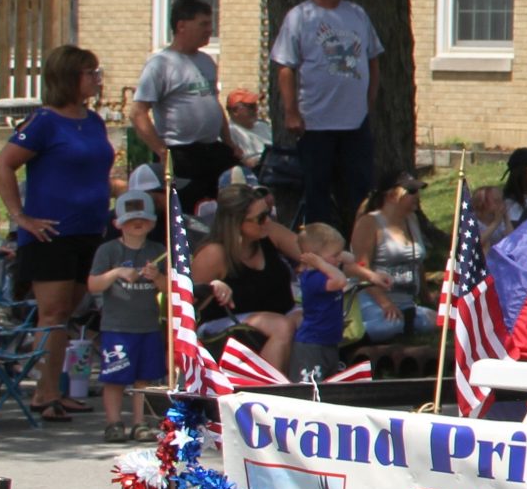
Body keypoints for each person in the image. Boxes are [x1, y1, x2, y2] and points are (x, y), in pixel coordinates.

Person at [0, 45, 114, 421]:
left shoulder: (93, 120)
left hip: (89, 229)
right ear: (68, 77)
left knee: (72, 313)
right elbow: (3, 165)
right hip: (51, 233)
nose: (96, 78)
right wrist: (20, 216)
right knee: (54, 313)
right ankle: (45, 395)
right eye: (89, 72)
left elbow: (96, 173)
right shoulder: (44, 122)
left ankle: (58, 389)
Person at [272, 0, 383, 226]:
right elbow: (285, 67)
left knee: (361, 188)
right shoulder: (299, 17)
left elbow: (373, 58)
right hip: (316, 122)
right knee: (317, 189)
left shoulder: (357, 14)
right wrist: (291, 112)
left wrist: (370, 99)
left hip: (355, 121)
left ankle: (359, 245)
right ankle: (320, 249)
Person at [130, 0, 235, 213]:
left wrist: (229, 142)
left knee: (223, 207)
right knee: (189, 211)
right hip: (181, 151)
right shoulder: (160, 65)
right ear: (181, 26)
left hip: (212, 149)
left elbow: (214, 105)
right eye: (203, 24)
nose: (209, 29)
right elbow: (138, 113)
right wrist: (161, 150)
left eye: (210, 23)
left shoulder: (206, 61)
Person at [193, 183, 302, 370]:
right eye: (260, 217)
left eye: (268, 212)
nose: (267, 221)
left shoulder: (270, 231)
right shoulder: (214, 254)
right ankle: (266, 392)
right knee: (281, 326)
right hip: (223, 323)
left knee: (317, 316)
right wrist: (215, 288)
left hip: (281, 313)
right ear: (237, 222)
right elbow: (191, 301)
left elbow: (312, 253)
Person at [87, 191, 168, 441]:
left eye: (142, 219)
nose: (137, 224)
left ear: (152, 222)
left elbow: (171, 289)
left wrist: (157, 277)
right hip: (117, 327)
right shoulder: (108, 251)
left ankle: (139, 423)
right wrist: (117, 273)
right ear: (117, 223)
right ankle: (113, 423)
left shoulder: (159, 251)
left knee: (143, 379)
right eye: (131, 219)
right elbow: (93, 285)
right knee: (115, 378)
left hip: (148, 327)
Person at [346, 174, 430, 343]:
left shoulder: (411, 219)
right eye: (411, 191)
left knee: (438, 321)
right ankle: (350, 339)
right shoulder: (369, 222)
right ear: (392, 196)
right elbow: (361, 269)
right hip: (372, 299)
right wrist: (385, 303)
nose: (417, 196)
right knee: (390, 326)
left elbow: (417, 264)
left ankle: (407, 322)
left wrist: (427, 298)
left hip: (405, 301)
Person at [291, 222, 365, 380]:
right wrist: (320, 263)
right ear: (315, 259)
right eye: (335, 255)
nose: (340, 258)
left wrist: (334, 255)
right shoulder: (313, 278)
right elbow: (340, 281)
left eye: (340, 253)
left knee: (329, 382)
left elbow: (351, 258)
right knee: (310, 387)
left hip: (329, 340)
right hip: (312, 344)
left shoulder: (326, 270)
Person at [224, 89, 271, 173]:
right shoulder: (229, 133)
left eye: (256, 106)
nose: (256, 110)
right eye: (251, 107)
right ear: (235, 111)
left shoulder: (263, 126)